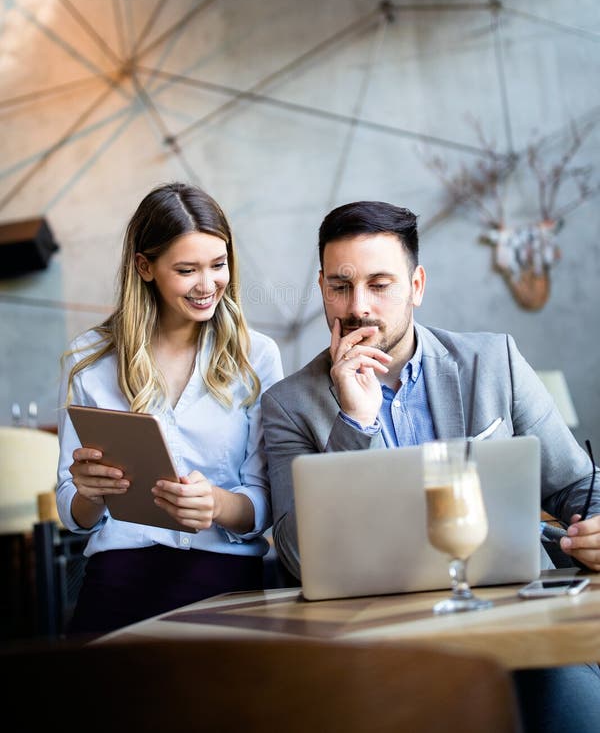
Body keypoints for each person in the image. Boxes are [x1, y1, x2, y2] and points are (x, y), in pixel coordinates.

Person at [261, 199, 600, 733]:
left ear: (416, 285)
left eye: (380, 284)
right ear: (322, 287)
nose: (359, 306)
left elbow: (579, 487)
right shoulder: (288, 404)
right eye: (340, 286)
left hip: (519, 628)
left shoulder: (495, 363)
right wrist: (356, 420)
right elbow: (301, 555)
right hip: (374, 643)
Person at [56, 182, 283, 639]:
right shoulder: (92, 360)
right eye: (186, 270)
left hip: (223, 580)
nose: (207, 285)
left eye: (218, 265)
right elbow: (72, 511)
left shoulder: (256, 356)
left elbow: (270, 500)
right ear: (145, 267)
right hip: (117, 578)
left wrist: (217, 504)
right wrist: (90, 492)